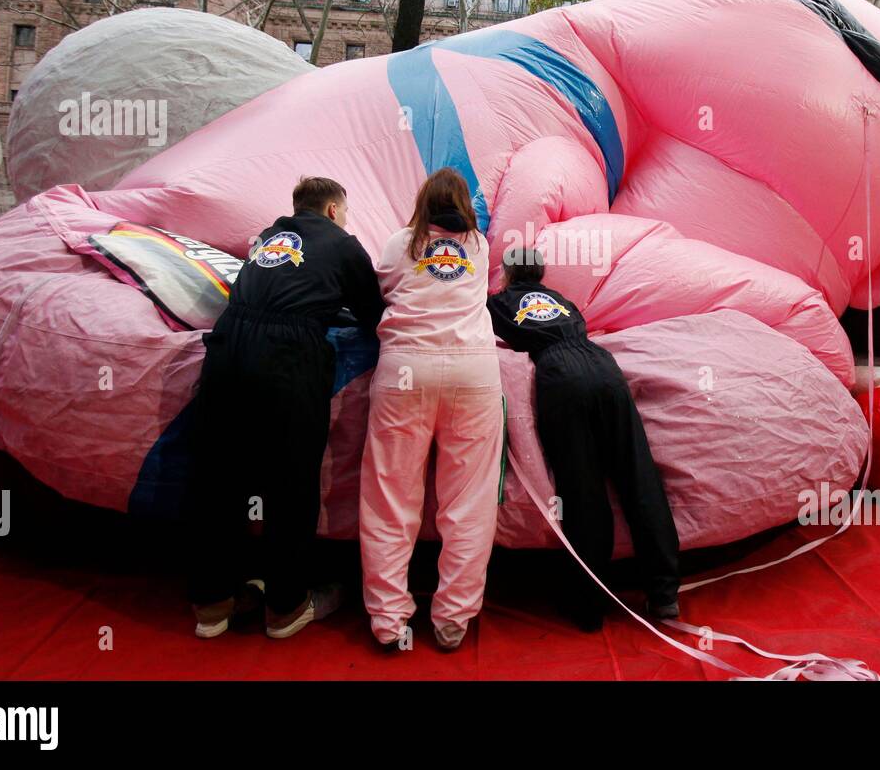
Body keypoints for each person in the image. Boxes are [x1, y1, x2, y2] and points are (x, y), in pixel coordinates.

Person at [185, 176, 385, 640]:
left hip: (228, 344)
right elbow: (373, 314)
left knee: (216, 475)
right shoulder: (343, 243)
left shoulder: (267, 238)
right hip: (287, 355)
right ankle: (285, 606)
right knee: (290, 480)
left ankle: (212, 604)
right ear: (334, 211)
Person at [487, 248, 680, 631]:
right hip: (603, 367)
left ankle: (590, 606)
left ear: (506, 274)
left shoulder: (497, 304)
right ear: (541, 273)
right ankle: (664, 594)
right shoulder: (563, 301)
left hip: (560, 375)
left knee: (583, 489)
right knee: (637, 474)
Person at [359, 167, 504, 652]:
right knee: (468, 502)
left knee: (389, 498)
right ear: (466, 205)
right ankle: (452, 621)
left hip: (406, 370)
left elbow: (380, 293)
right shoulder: (480, 247)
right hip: (473, 374)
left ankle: (387, 620)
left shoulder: (400, 242)